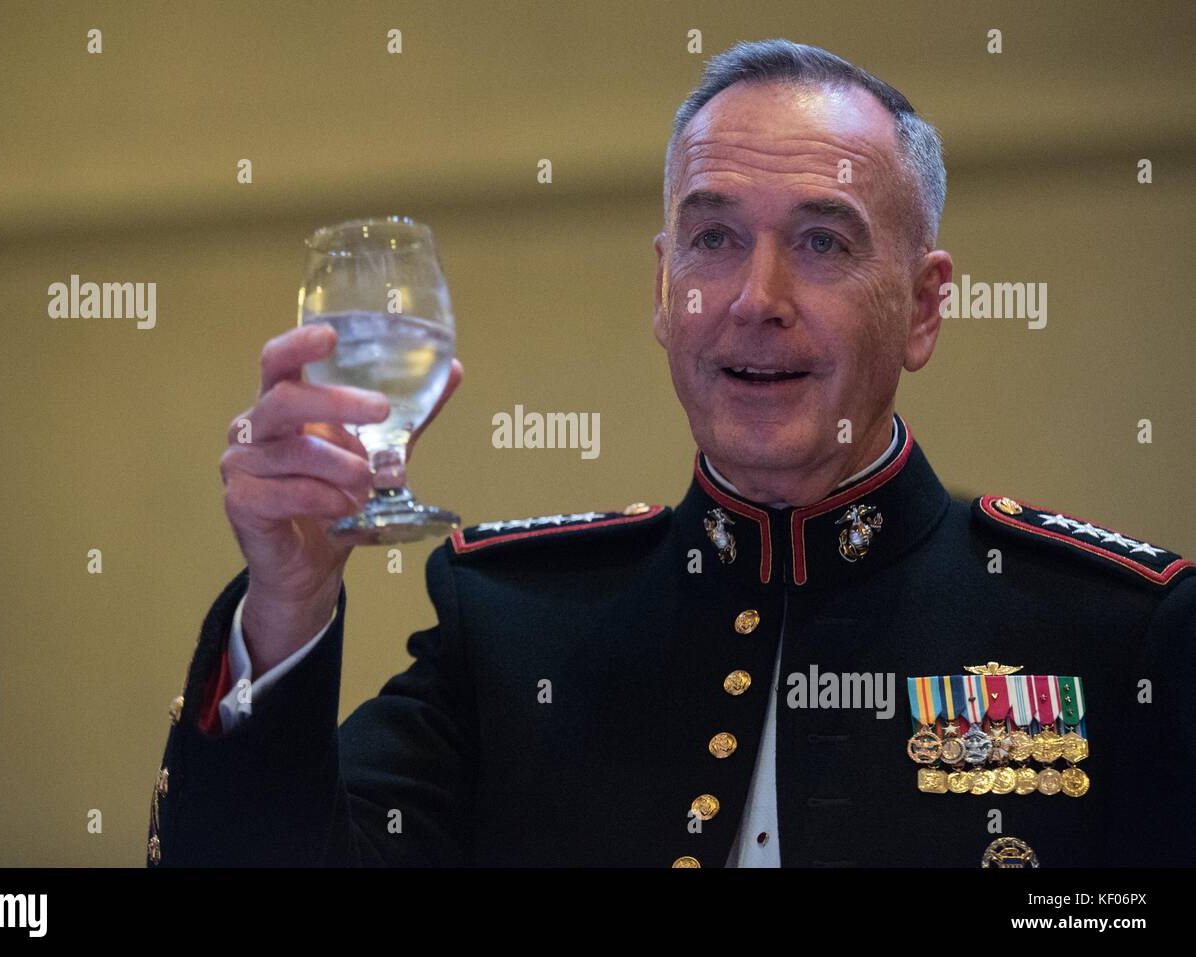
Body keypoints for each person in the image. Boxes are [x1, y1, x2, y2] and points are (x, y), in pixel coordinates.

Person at [147, 39, 1195, 868]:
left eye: (823, 242)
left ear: (922, 307)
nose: (755, 299)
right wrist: (284, 606)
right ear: (663, 291)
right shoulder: (510, 627)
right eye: (713, 238)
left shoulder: (1115, 628)